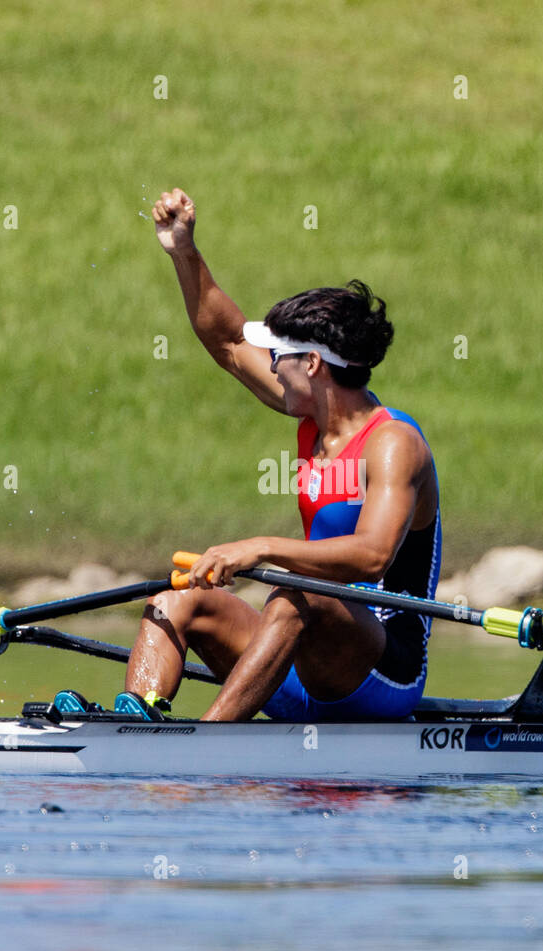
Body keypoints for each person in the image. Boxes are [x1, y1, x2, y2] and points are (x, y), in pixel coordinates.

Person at [119, 188, 441, 722]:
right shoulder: (313, 416)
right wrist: (183, 251)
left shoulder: (394, 444)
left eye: (280, 356)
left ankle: (207, 744)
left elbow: (373, 556)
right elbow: (226, 341)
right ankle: (133, 722)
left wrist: (260, 548)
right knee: (176, 601)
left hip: (381, 670)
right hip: (297, 655)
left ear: (313, 365)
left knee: (298, 596)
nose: (269, 365)